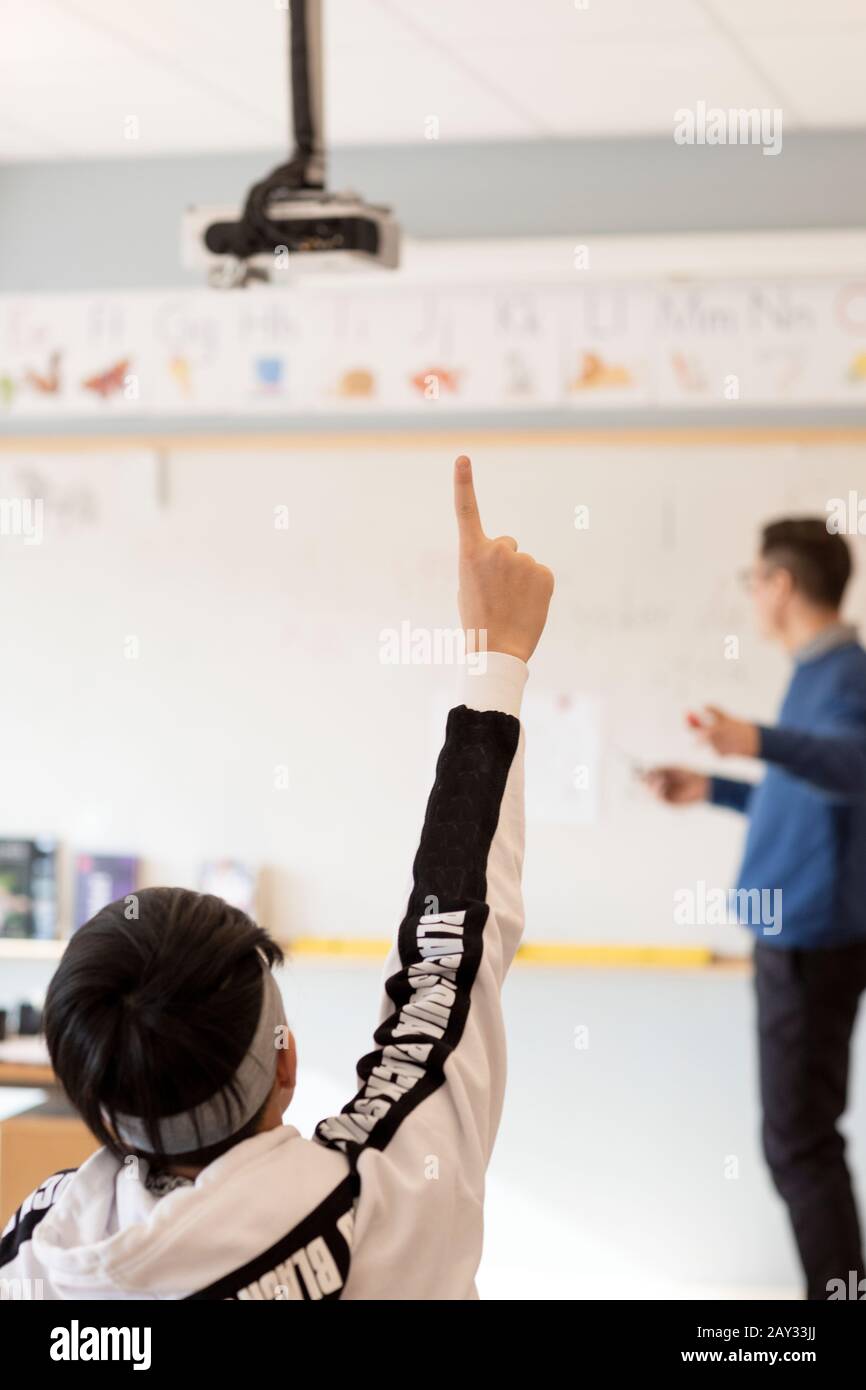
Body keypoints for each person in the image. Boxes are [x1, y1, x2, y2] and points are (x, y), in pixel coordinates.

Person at [0, 456, 554, 1301]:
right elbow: (449, 970)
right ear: (286, 1065)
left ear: (104, 1121)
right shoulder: (382, 1210)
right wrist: (496, 662)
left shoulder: (36, 1258)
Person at [646, 518, 866, 1301]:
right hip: (798, 935)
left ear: (780, 584)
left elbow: (854, 768)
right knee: (801, 1142)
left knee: (799, 1145)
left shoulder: (843, 674)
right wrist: (715, 786)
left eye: (753, 580)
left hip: (811, 938)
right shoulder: (816, 671)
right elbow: (806, 797)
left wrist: (758, 741)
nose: (751, 595)